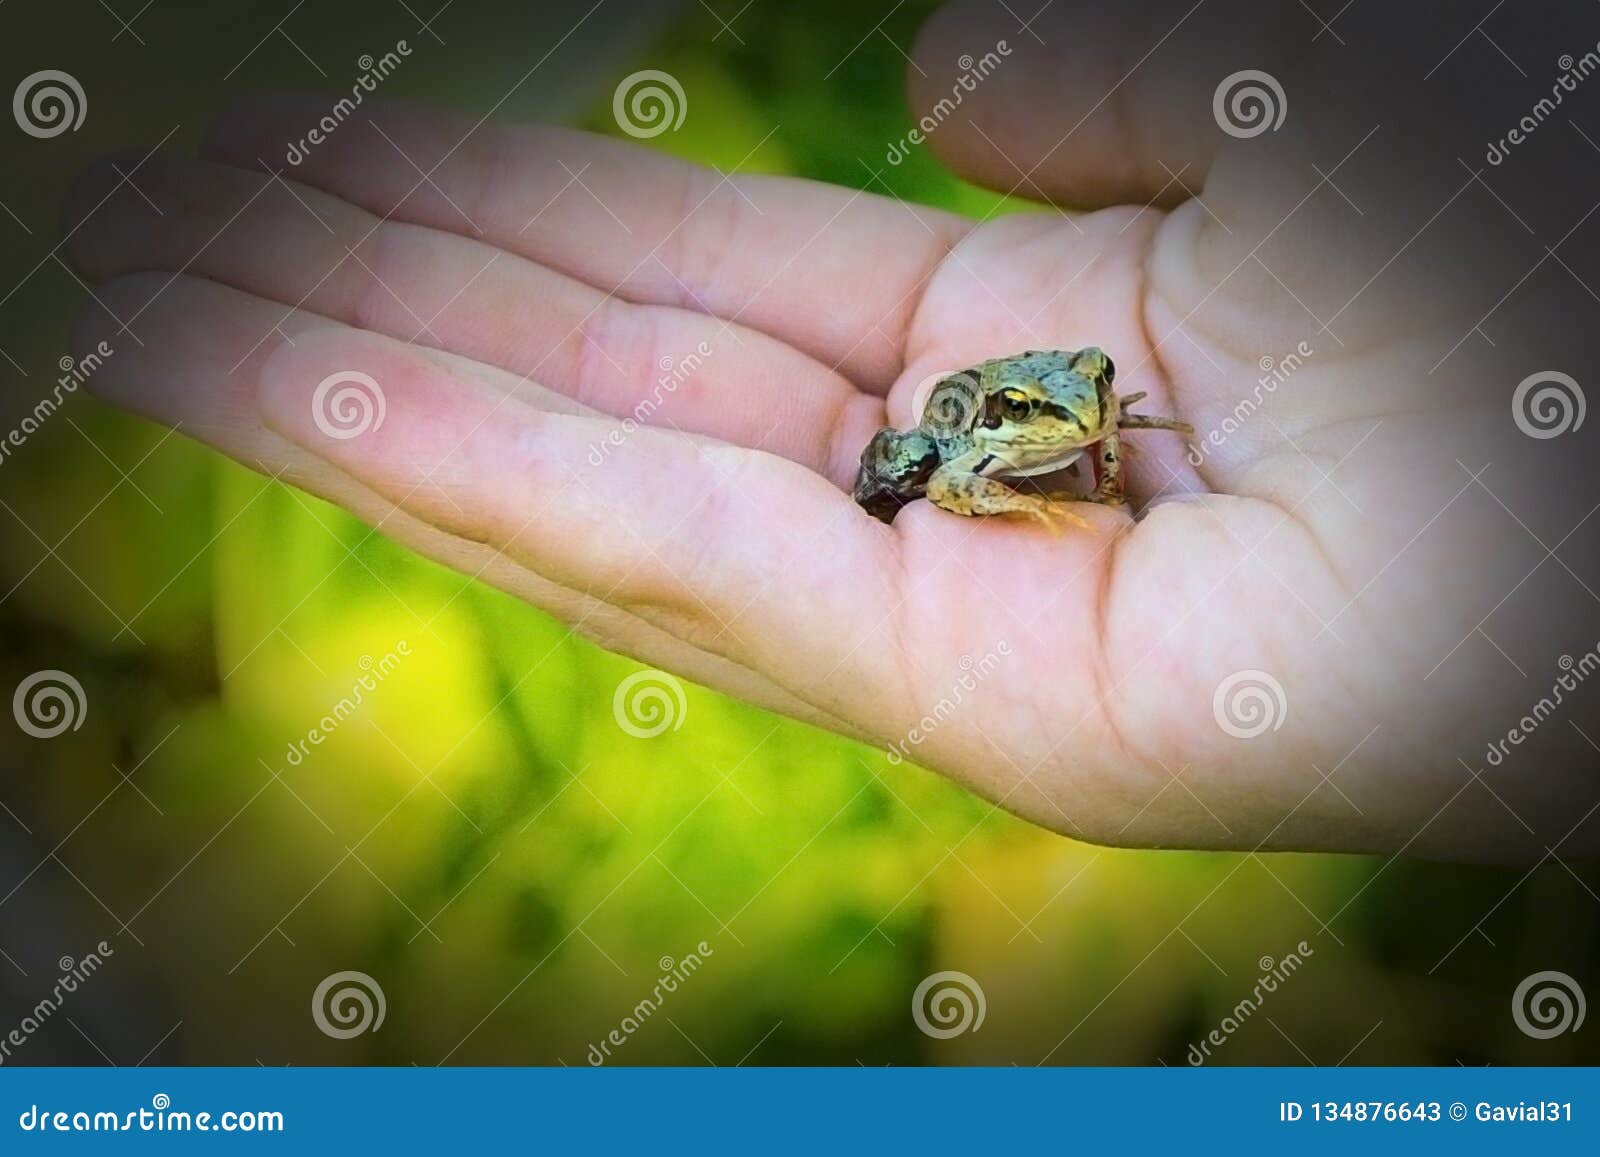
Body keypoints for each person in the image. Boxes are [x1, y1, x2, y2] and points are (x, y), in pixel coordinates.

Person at [63, 0, 1600, 858]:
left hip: (1020, 384)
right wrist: (1012, 489)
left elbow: (1076, 425)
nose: (1090, 431)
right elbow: (973, 461)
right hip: (962, 412)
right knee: (911, 462)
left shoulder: (1081, 413)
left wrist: (1088, 456)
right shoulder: (967, 439)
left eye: (1088, 413)